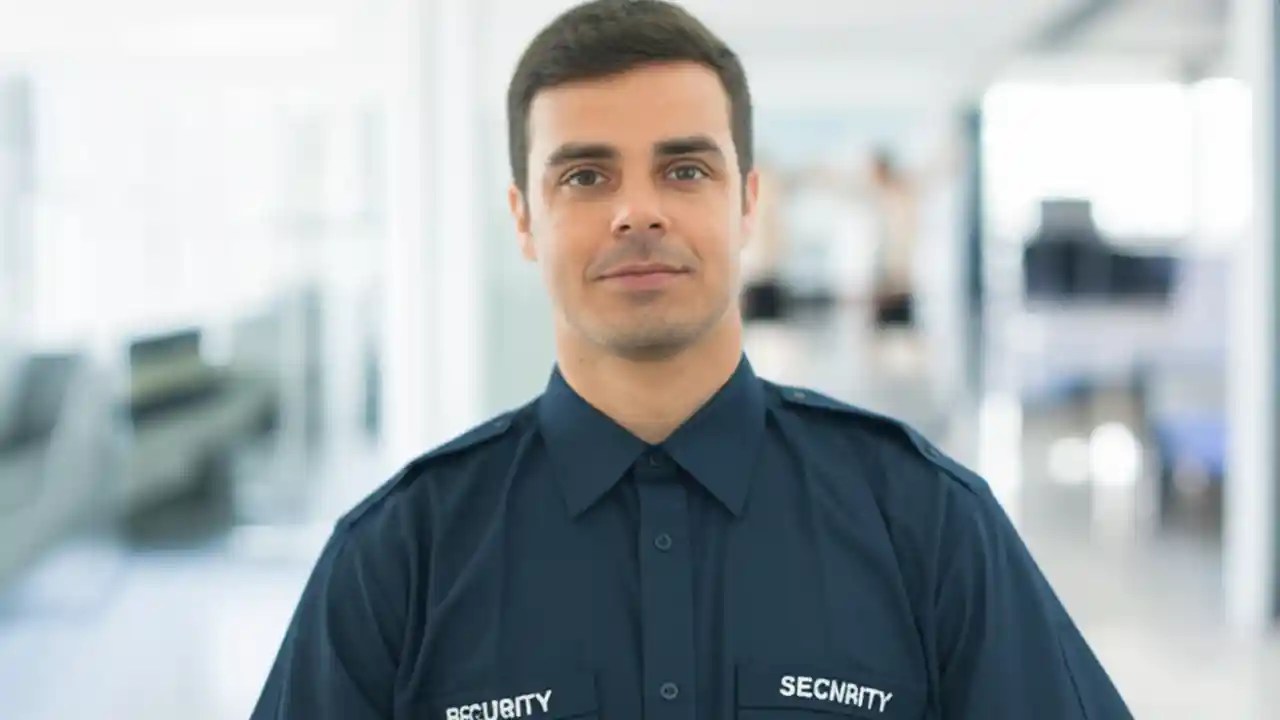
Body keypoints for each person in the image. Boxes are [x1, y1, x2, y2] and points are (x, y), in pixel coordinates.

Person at [250, 2, 1132, 719]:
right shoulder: (403, 558)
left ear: (748, 202)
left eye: (684, 171)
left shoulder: (924, 524)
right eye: (586, 177)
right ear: (524, 219)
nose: (638, 212)